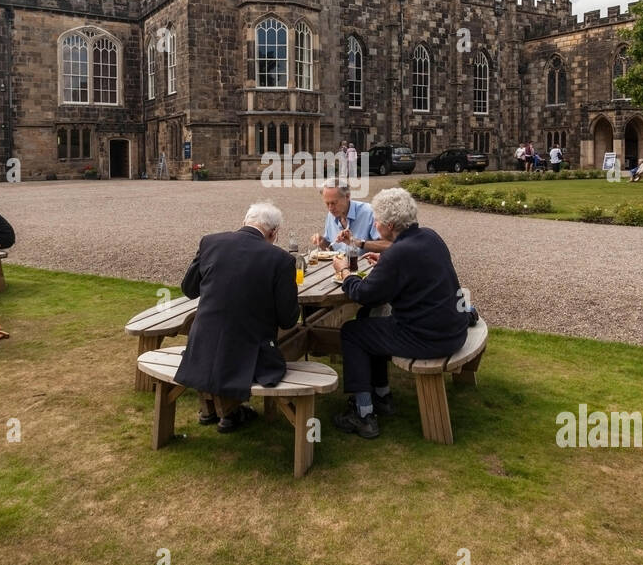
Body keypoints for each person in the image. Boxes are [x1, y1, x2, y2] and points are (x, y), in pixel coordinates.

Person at [329, 188, 469, 439]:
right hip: (452, 328)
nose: (374, 224)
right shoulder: (429, 236)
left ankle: (363, 414)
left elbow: (365, 295)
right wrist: (384, 264)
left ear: (390, 225)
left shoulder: (397, 254)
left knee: (352, 332)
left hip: (428, 338)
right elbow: (411, 272)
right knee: (368, 320)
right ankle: (381, 395)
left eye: (377, 220)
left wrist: (346, 273)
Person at [177, 202, 301, 432]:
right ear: (274, 233)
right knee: (297, 339)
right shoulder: (282, 260)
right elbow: (288, 320)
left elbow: (189, 289)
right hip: (250, 359)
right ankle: (229, 412)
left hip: (201, 350)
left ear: (244, 222)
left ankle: (218, 410)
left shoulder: (210, 242)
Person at [310, 178, 387, 255]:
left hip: (366, 265)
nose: (330, 208)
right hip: (340, 265)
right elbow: (332, 250)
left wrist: (357, 242)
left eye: (334, 203)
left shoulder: (369, 212)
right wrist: (323, 242)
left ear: (347, 196)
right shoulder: (331, 215)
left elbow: (389, 245)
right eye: (327, 203)